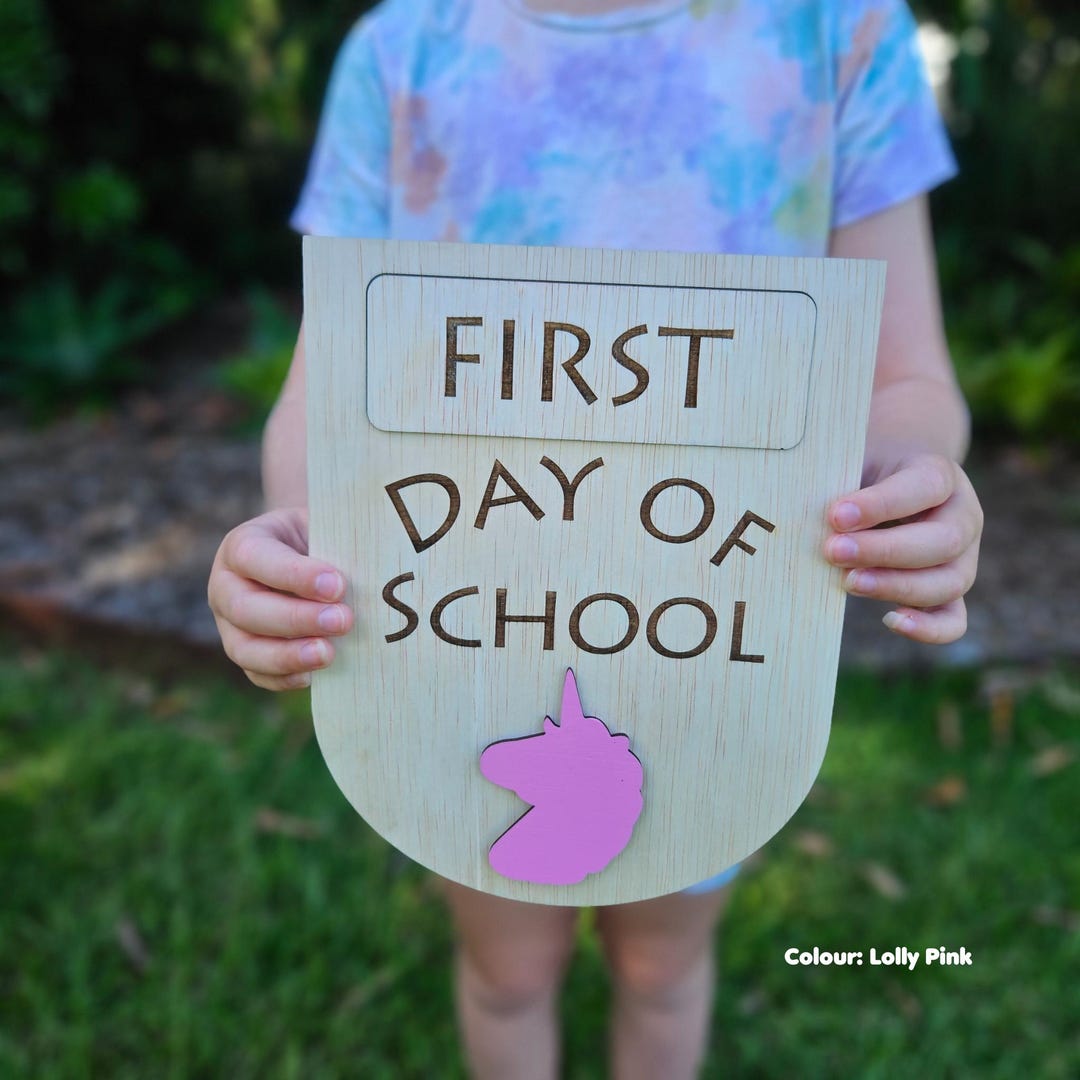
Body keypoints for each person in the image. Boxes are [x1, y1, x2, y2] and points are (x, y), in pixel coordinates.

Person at [208, 0, 984, 1075]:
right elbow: (332, 382)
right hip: (458, 643)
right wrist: (300, 547)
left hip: (709, 646)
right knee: (507, 971)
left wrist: (910, 481)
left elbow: (904, 375)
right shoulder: (406, 52)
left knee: (665, 969)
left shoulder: (837, 32)